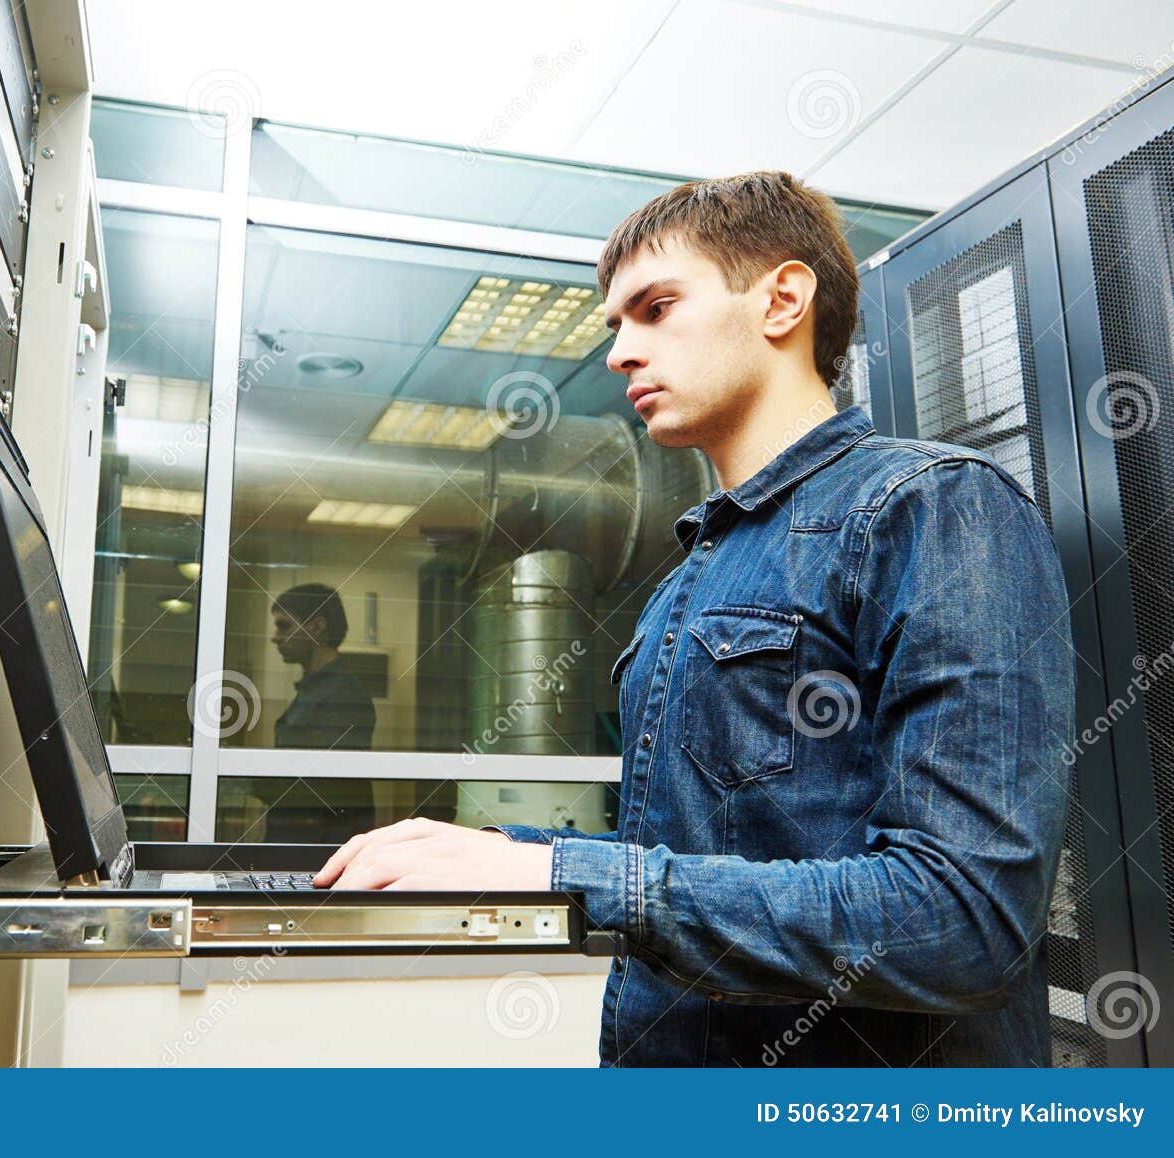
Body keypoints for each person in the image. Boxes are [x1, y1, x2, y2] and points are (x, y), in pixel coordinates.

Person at [315, 171, 1075, 1067]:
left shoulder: (934, 507)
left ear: (783, 300)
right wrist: (499, 852)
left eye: (656, 307)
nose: (619, 354)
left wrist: (556, 872)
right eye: (615, 324)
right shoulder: (695, 572)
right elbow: (697, 857)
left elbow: (963, 920)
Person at [258, 583, 375, 841]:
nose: (275, 637)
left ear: (317, 627)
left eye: (284, 626)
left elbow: (324, 785)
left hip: (319, 847)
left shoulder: (343, 694)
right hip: (304, 843)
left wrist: (244, 776)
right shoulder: (314, 690)